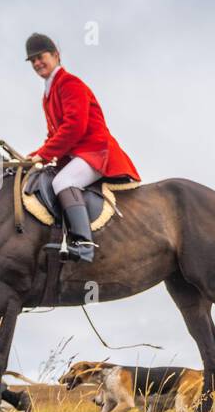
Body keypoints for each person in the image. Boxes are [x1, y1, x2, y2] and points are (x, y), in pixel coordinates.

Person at [24, 33, 140, 262]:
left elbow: (75, 127)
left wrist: (44, 155)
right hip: (79, 154)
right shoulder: (47, 95)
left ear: (56, 55)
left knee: (62, 182)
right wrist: (35, 156)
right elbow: (54, 134)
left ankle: (83, 243)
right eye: (33, 61)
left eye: (41, 57)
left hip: (96, 151)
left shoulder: (69, 83)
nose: (37, 63)